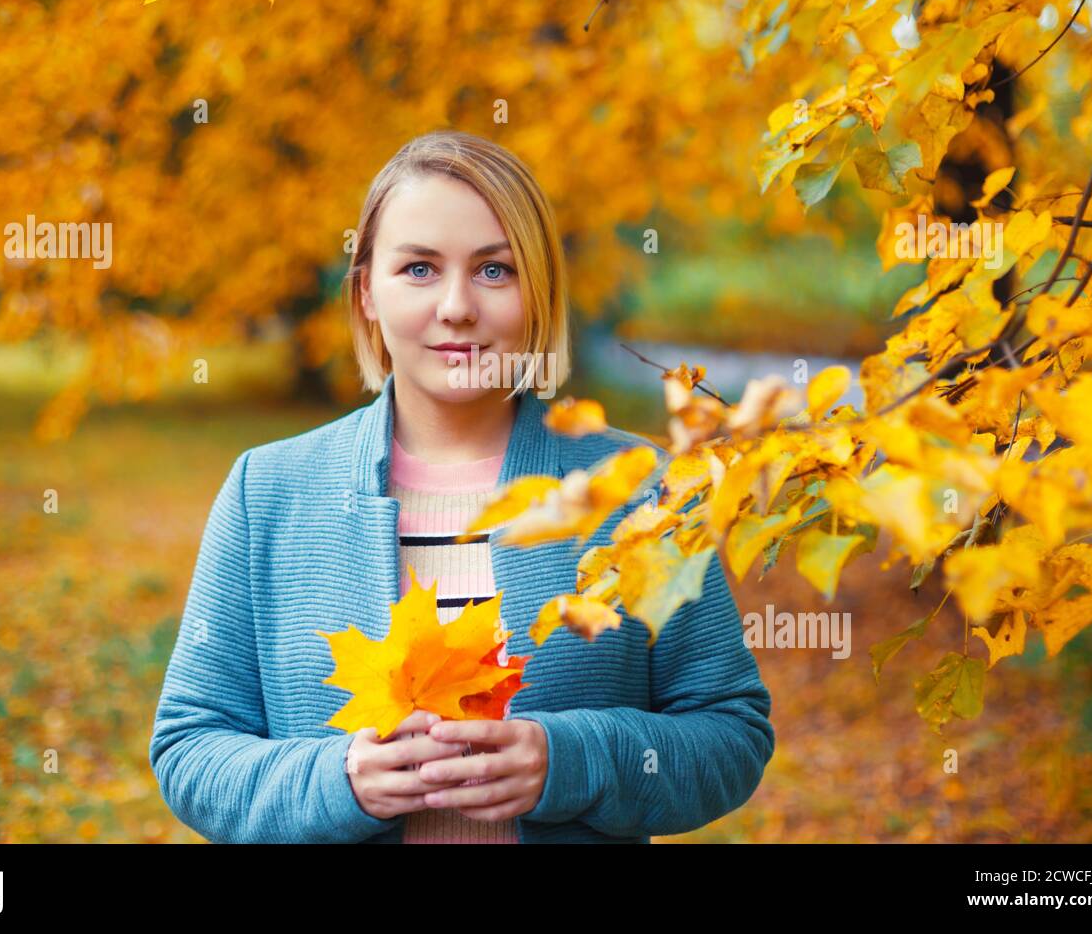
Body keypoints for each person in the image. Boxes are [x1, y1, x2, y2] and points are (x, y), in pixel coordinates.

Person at [148, 129, 774, 844]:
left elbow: (730, 734)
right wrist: (339, 780)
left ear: (538, 294)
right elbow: (191, 749)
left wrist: (569, 762)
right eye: (418, 269)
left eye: (494, 271)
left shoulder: (637, 489)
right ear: (367, 296)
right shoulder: (270, 493)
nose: (456, 307)